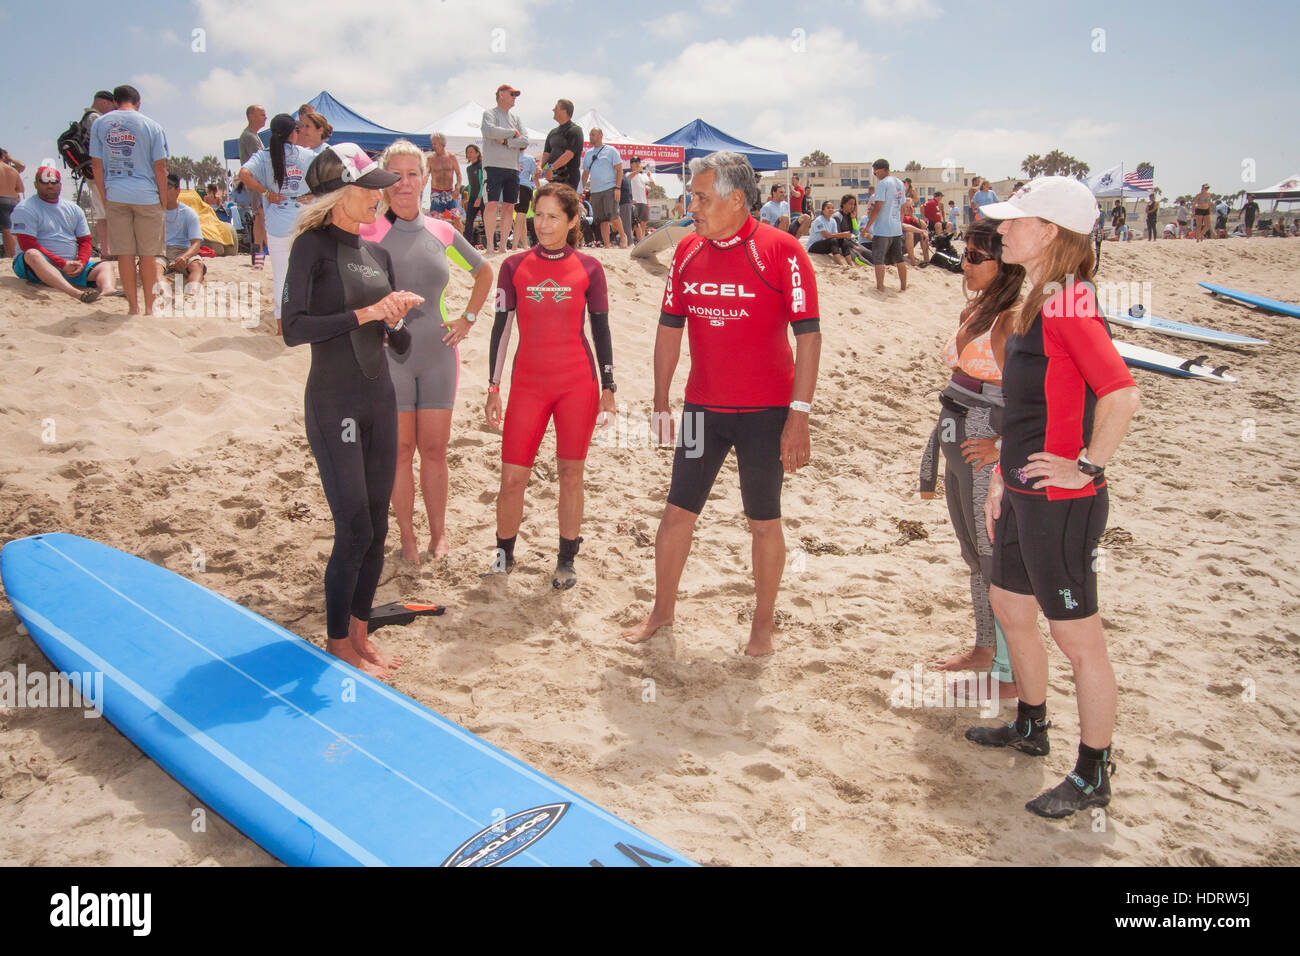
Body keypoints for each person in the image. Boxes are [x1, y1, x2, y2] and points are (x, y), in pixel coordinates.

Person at [965, 175, 1141, 818]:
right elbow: (1032, 408)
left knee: (1080, 640)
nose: (1003, 230)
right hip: (1023, 491)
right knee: (1010, 605)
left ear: (1051, 232)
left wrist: (1087, 469)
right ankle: (1032, 726)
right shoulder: (1037, 299)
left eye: (1016, 221)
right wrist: (1006, 483)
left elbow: (1120, 393)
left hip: (1063, 502)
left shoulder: (1069, 301)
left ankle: (1094, 773)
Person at [622, 151, 821, 657]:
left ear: (736, 199)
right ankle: (661, 611)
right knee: (676, 514)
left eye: (702, 197)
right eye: (693, 195)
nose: (694, 206)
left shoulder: (783, 251)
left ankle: (762, 626)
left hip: (767, 413)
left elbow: (809, 338)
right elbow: (670, 329)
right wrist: (661, 401)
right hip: (702, 411)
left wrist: (799, 416)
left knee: (763, 520)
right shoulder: (687, 251)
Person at [281, 143, 423, 680]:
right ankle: (338, 641)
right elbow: (292, 329)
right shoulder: (311, 248)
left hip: (378, 399)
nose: (381, 194)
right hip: (334, 401)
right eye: (370, 187)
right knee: (354, 529)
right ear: (342, 192)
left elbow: (400, 345)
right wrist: (368, 311)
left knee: (378, 527)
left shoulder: (378, 254)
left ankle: (361, 637)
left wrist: (395, 318)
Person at [360, 140, 494, 561]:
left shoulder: (442, 231)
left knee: (435, 451)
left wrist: (467, 320)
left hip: (438, 355)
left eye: (412, 174)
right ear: (383, 182)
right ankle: (408, 538)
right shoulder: (367, 234)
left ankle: (438, 534)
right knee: (399, 452)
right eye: (395, 175)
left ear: (424, 179)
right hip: (389, 358)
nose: (404, 183)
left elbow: (485, 271)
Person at [484, 182, 616, 589]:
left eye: (553, 216)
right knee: (511, 478)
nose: (543, 224)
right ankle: (503, 553)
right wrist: (493, 387)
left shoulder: (590, 268)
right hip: (528, 386)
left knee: (570, 474)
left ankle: (566, 560)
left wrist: (609, 388)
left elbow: (601, 330)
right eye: (537, 215)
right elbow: (501, 329)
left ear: (573, 220)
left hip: (577, 384)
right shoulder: (513, 266)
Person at [919, 219, 1025, 700]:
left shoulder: (1013, 319)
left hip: (982, 440)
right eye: (965, 254)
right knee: (972, 553)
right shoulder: (979, 309)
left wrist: (1001, 447)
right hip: (956, 435)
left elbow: (1035, 398)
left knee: (993, 555)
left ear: (1005, 266)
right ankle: (985, 648)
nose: (964, 263)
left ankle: (1010, 671)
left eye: (976, 257)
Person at [89, 84, 169, 316]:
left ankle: (133, 308)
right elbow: (160, 167)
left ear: (115, 102)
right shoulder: (152, 125)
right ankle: (150, 309)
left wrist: (105, 196)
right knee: (147, 255)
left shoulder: (100, 124)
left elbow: (97, 165)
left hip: (115, 193)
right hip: (146, 194)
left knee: (124, 254)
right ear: (138, 102)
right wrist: (162, 201)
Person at [240, 113, 316, 334]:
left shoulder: (263, 156)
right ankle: (305, 319)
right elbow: (333, 169)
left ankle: (282, 327)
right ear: (294, 132)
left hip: (277, 224)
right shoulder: (305, 154)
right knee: (305, 273)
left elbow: (243, 174)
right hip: (302, 221)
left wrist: (266, 192)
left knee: (282, 276)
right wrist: (315, 193)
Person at [9, 166, 116, 302]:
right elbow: (26, 244)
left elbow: (85, 240)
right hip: (34, 265)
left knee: (106, 265)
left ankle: (108, 290)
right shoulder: (25, 208)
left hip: (69, 265)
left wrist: (82, 263)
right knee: (32, 253)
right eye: (44, 182)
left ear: (60, 184)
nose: (49, 185)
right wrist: (61, 263)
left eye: (54, 182)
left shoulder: (73, 209)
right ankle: (75, 293)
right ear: (36, 184)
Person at [480, 84, 529, 254]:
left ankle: (502, 246)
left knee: (509, 206)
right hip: (493, 165)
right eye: (512, 94)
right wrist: (512, 133)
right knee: (492, 204)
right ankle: (490, 245)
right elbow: (489, 131)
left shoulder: (516, 118)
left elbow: (525, 141)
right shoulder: (489, 114)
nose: (515, 97)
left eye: (516, 94)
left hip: (513, 167)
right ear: (501, 94)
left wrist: (507, 140)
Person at [78, 90, 117, 256]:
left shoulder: (86, 118)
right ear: (104, 103)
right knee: (108, 214)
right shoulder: (96, 119)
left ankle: (107, 250)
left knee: (102, 214)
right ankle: (110, 250)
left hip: (93, 174)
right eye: (111, 107)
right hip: (101, 174)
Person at [158, 172, 206, 301]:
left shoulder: (188, 213)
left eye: (167, 187)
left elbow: (196, 243)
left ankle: (191, 294)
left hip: (182, 250)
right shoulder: (154, 212)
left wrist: (185, 257)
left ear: (177, 190)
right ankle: (166, 294)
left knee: (197, 265)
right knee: (154, 267)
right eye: (160, 187)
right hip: (161, 250)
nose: (163, 191)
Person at [581, 128, 627, 248]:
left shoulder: (611, 151)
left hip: (610, 188)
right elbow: (585, 173)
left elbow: (619, 170)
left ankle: (623, 236)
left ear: (601, 135)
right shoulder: (588, 154)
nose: (590, 137)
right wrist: (580, 189)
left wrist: (617, 187)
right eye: (590, 134)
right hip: (595, 191)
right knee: (601, 219)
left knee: (613, 216)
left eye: (593, 134)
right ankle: (606, 245)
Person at [866, 158, 907, 292]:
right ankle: (903, 287)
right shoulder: (900, 183)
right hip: (896, 228)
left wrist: (867, 227)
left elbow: (878, 206)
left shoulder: (883, 184)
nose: (875, 176)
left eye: (875, 173)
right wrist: (900, 223)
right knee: (899, 258)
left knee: (879, 259)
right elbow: (903, 206)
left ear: (882, 170)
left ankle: (880, 287)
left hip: (883, 228)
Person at [239, 105, 268, 264]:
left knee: (259, 216)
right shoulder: (250, 136)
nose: (265, 117)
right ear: (252, 116)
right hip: (256, 182)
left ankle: (259, 254)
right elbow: (258, 161)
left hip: (255, 182)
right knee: (262, 216)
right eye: (262, 114)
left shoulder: (252, 135)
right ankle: (260, 253)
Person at [538, 99, 583, 192]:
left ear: (564, 111)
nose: (553, 110)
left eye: (556, 108)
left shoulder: (575, 130)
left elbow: (569, 154)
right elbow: (546, 153)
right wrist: (539, 167)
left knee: (565, 205)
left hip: (568, 178)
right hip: (553, 177)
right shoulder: (552, 132)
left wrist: (551, 168)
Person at [426, 133, 462, 223]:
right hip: (436, 194)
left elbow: (459, 174)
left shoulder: (451, 157)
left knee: (457, 219)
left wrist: (457, 188)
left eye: (435, 144)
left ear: (442, 144)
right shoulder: (430, 159)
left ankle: (461, 237)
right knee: (435, 221)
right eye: (432, 143)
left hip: (450, 192)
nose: (433, 146)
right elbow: (425, 175)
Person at [806, 199, 852, 265]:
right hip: (813, 247)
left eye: (832, 208)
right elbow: (826, 235)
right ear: (823, 210)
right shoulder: (819, 220)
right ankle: (840, 264)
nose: (830, 210)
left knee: (843, 241)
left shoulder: (833, 221)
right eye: (828, 208)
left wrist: (843, 236)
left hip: (825, 245)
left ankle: (850, 264)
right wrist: (842, 234)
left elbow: (835, 234)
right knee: (833, 240)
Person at [0, 149, 23, 258]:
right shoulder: (12, 170)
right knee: (10, 229)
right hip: (13, 200)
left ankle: (11, 254)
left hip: (1, 199)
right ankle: (10, 254)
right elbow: (20, 188)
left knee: (7, 229)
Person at [462, 144, 485, 245]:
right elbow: (471, 185)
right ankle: (467, 244)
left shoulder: (482, 166)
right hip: (472, 197)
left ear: (477, 153)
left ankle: (491, 243)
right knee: (469, 220)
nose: (469, 154)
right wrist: (469, 198)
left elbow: (483, 183)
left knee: (486, 220)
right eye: (467, 152)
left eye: (471, 152)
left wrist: (479, 197)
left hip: (483, 197)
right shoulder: (469, 169)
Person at [514, 151, 537, 250]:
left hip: (513, 186)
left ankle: (524, 245)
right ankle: (514, 245)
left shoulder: (511, 156)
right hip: (525, 186)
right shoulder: (530, 158)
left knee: (522, 216)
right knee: (521, 214)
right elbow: (534, 174)